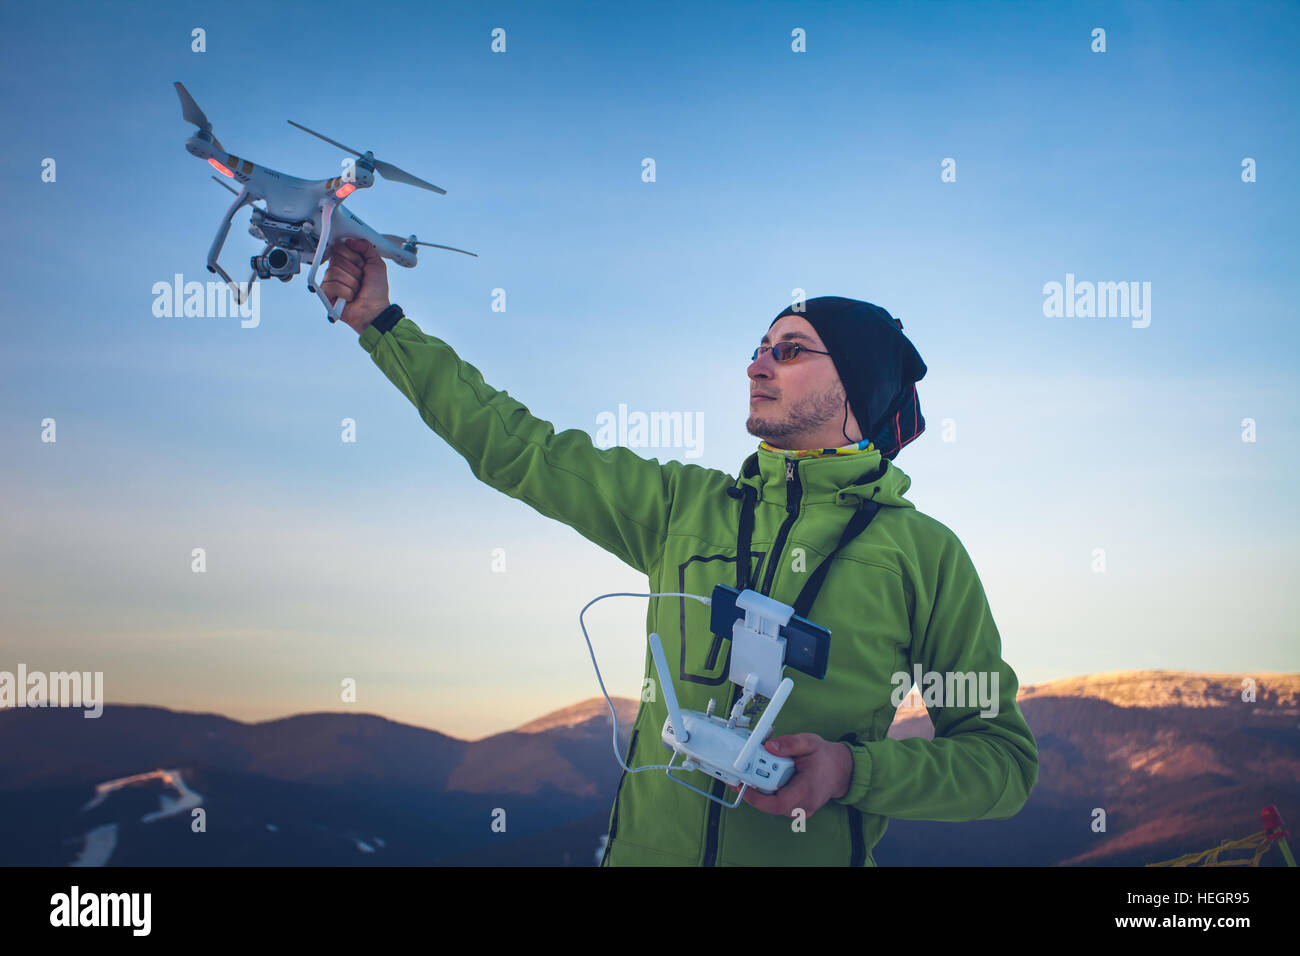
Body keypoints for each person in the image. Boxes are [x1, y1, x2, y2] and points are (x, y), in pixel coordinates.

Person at [321, 237, 1039, 866]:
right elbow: (515, 448)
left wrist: (852, 770)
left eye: (787, 351)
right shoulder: (682, 507)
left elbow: (1000, 763)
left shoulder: (924, 554)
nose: (758, 366)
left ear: (856, 386)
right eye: (757, 350)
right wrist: (383, 325)